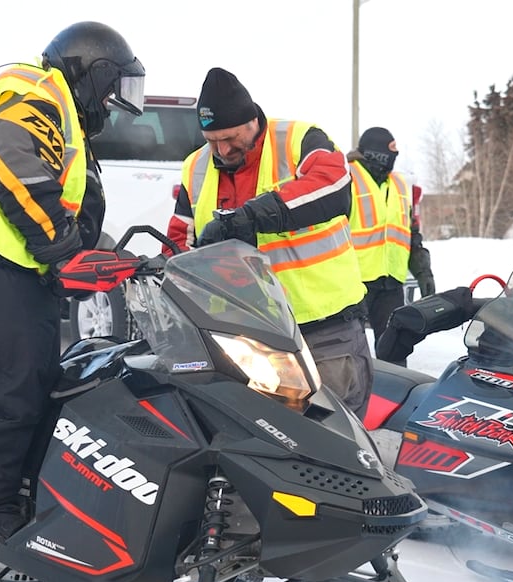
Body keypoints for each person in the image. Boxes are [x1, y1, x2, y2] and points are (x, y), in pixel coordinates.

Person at [0, 21, 146, 547]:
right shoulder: (30, 94)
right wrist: (65, 255)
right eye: (112, 93)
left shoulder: (62, 119)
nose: (110, 107)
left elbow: (66, 212)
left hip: (10, 263)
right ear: (92, 72)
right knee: (6, 394)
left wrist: (121, 259)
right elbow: (24, 182)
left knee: (34, 387)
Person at [167, 67, 373, 417]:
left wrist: (251, 215)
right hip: (245, 337)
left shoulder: (299, 140)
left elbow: (334, 186)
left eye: (230, 138)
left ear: (252, 121)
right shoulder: (196, 166)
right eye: (211, 139)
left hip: (322, 328)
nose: (221, 148)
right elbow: (179, 239)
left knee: (334, 438)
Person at [346, 126, 435, 345]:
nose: (396, 154)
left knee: (394, 348)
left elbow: (412, 235)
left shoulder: (399, 186)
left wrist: (424, 273)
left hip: (390, 285)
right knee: (351, 351)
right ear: (377, 152)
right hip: (354, 283)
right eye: (392, 149)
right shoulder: (347, 180)